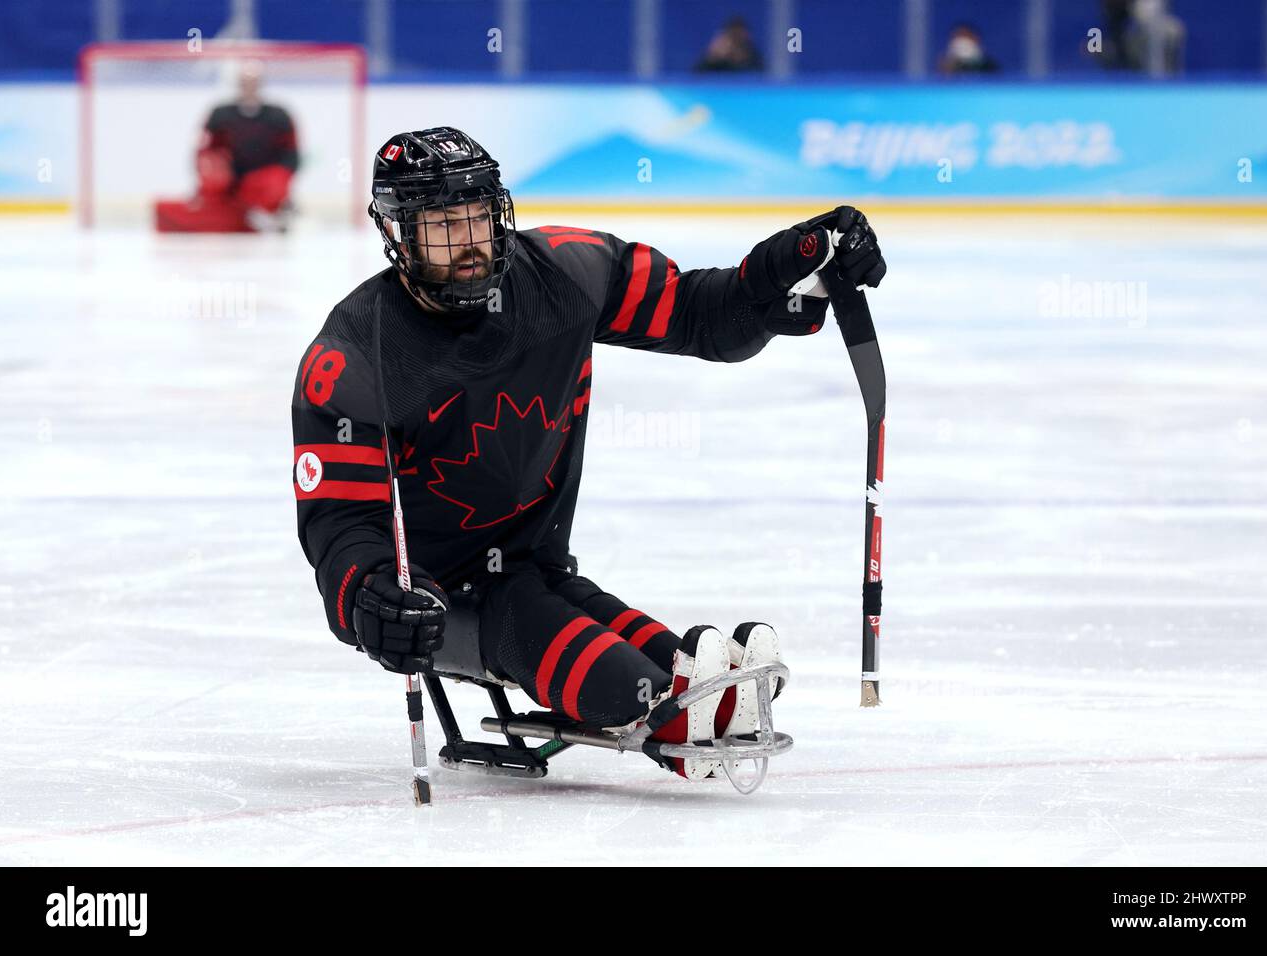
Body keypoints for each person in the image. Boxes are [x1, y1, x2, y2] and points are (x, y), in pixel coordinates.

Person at [291, 128, 886, 779]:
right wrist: (376, 597)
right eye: (441, 224)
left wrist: (789, 262)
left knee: (671, 673)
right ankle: (681, 710)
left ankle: (702, 698)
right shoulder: (351, 357)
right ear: (399, 233)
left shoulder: (568, 272)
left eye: (476, 218)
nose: (467, 243)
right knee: (636, 692)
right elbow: (341, 526)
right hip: (442, 604)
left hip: (539, 568)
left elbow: (700, 315)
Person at [155, 62, 298, 232]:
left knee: (272, 185)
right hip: (228, 185)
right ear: (238, 84)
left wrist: (277, 179)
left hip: (262, 183)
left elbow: (291, 154)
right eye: (245, 82)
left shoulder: (279, 116)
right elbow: (206, 151)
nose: (249, 87)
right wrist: (216, 177)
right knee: (192, 211)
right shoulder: (220, 115)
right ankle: (254, 216)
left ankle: (265, 213)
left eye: (253, 82)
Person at [694, 15, 764, 73]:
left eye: (740, 37)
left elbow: (760, 77)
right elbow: (696, 75)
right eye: (734, 36)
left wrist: (740, 61)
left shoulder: (753, 56)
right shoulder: (717, 59)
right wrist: (712, 58)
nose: (737, 41)